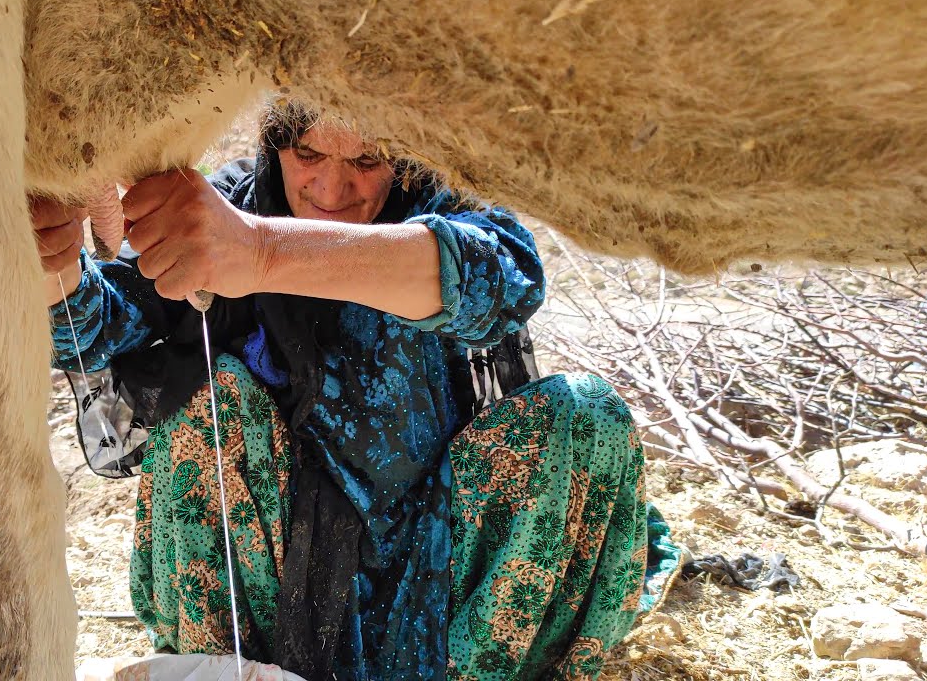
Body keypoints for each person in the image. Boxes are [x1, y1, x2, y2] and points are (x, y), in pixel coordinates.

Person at [34, 102, 680, 681]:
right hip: (277, 561)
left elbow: (508, 278)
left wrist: (260, 252)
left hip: (436, 551)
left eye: (367, 160)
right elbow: (106, 321)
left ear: (400, 153)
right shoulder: (228, 204)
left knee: (588, 413)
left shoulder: (437, 198)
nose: (331, 189)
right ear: (275, 143)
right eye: (307, 155)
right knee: (207, 397)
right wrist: (56, 266)